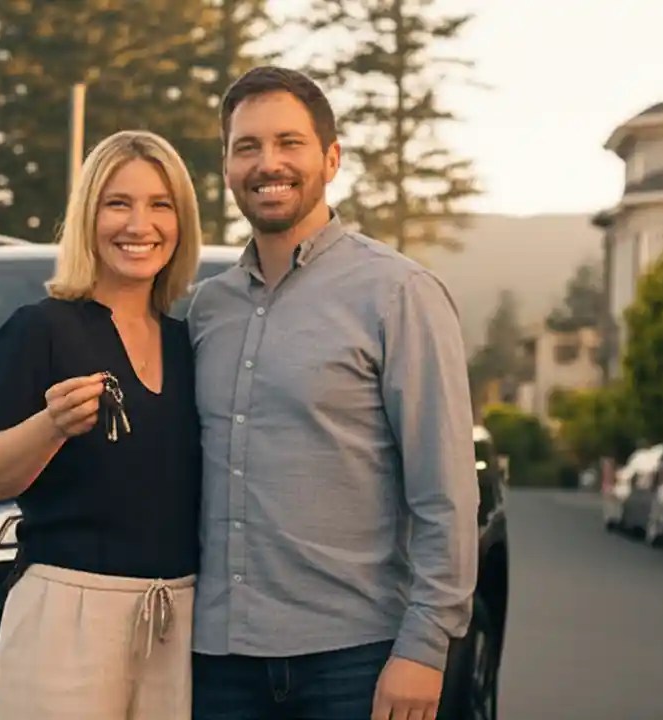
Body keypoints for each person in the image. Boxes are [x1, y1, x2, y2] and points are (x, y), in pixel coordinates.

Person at [185, 65, 479, 720]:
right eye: (247, 147)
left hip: (356, 661)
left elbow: (446, 491)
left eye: (289, 142)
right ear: (228, 167)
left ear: (331, 157)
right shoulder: (206, 311)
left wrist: (425, 647)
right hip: (216, 665)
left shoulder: (398, 294)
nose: (269, 164)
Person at [0, 129, 204, 719]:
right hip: (66, 617)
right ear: (89, 216)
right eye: (118, 203)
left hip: (177, 622)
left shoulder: (192, 344)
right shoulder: (40, 329)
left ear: (182, 221)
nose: (139, 225)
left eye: (159, 205)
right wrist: (51, 425)